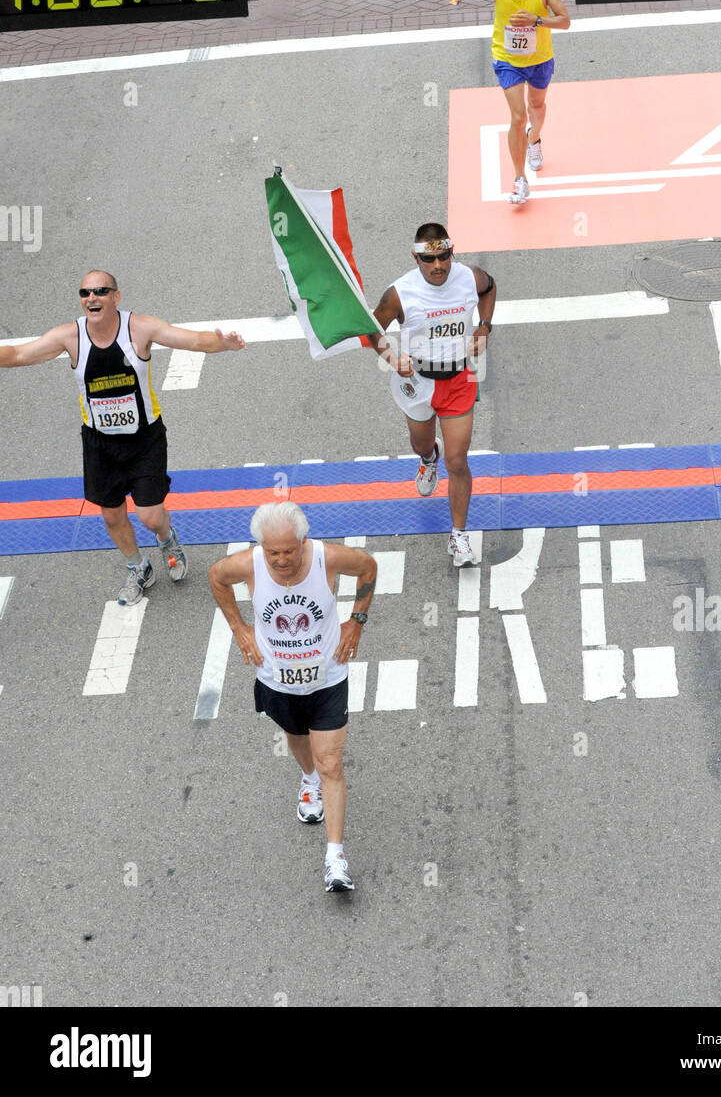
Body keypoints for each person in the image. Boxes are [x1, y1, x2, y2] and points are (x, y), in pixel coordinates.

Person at [0, 269, 246, 605]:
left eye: (100, 291)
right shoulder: (69, 337)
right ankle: (138, 567)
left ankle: (166, 538)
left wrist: (223, 344)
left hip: (144, 439)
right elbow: (16, 356)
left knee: (149, 515)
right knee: (112, 514)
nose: (92, 299)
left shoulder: (139, 328)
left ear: (116, 296)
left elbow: (189, 339)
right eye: (85, 293)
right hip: (100, 443)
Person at [208, 501, 377, 894]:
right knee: (298, 740)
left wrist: (357, 621)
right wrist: (239, 629)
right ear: (261, 547)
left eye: (289, 551)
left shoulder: (326, 559)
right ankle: (308, 778)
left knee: (331, 760)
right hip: (277, 679)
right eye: (273, 553)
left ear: (303, 541)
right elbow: (216, 577)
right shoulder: (247, 565)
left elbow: (368, 567)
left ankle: (335, 859)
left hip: (329, 675)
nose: (282, 560)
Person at [368, 223, 496, 569]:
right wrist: (393, 358)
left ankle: (459, 535)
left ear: (452, 252)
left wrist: (484, 326)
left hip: (459, 379)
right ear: (416, 257)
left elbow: (490, 288)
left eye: (444, 256)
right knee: (422, 445)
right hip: (417, 384)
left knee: (458, 462)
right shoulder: (400, 293)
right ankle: (428, 459)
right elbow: (371, 329)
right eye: (429, 258)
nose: (438, 265)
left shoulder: (469, 277)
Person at [447, 0, 571, 205]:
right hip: (507, 60)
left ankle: (534, 139)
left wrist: (536, 20)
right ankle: (519, 179)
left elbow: (564, 21)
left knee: (537, 107)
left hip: (539, 59)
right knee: (518, 115)